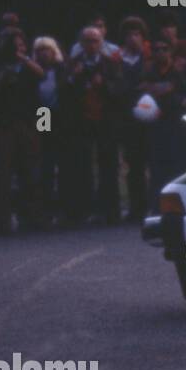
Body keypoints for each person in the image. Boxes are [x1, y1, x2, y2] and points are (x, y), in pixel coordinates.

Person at [62, 26, 125, 224]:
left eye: (95, 41)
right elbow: (62, 91)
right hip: (81, 121)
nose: (91, 45)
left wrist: (104, 84)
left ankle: (110, 211)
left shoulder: (111, 64)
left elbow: (120, 90)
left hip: (106, 121)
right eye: (87, 41)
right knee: (80, 167)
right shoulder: (72, 64)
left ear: (101, 43)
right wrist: (74, 77)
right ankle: (81, 211)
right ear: (80, 44)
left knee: (109, 166)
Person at [0, 28, 45, 233]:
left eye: (21, 45)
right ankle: (2, 220)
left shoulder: (27, 66)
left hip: (27, 123)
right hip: (3, 125)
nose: (18, 49)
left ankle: (33, 216)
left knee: (30, 171)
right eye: (14, 46)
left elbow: (40, 74)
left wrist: (23, 58)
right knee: (3, 174)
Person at [137, 36, 186, 210]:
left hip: (175, 126)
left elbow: (183, 99)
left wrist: (160, 92)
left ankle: (174, 205)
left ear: (171, 52)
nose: (160, 52)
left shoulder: (179, 72)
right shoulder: (147, 71)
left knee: (175, 167)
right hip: (154, 126)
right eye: (156, 49)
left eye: (164, 49)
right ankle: (155, 206)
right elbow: (142, 92)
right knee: (155, 168)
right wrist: (164, 89)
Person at [117, 17, 151, 221]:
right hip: (127, 117)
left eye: (137, 34)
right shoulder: (116, 59)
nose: (133, 38)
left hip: (150, 115)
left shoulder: (150, 57)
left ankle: (153, 204)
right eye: (129, 34)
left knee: (152, 162)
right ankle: (136, 207)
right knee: (133, 163)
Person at [32, 37, 66, 222]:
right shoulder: (32, 71)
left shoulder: (61, 69)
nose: (44, 54)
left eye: (47, 50)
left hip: (60, 116)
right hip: (43, 114)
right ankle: (46, 209)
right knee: (46, 161)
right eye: (40, 50)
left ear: (54, 52)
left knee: (63, 163)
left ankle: (64, 208)